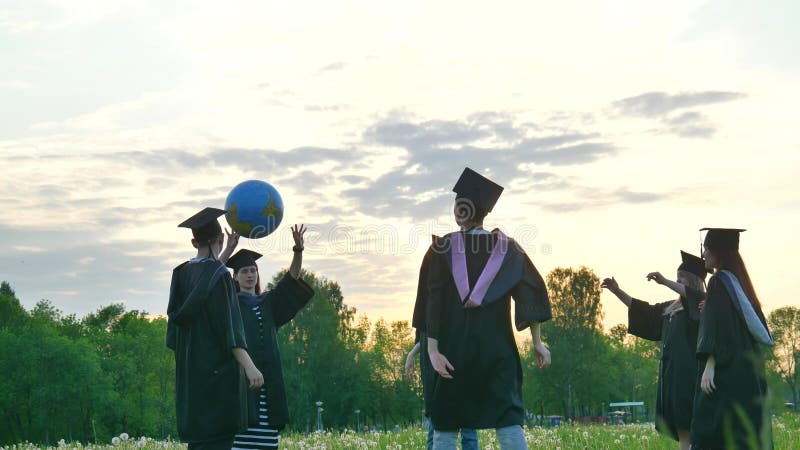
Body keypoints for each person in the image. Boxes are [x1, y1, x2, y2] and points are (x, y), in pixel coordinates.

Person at [417, 167, 552, 450]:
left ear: (459, 212)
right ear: (485, 213)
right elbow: (532, 290)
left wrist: (432, 350)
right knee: (508, 424)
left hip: (451, 353)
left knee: (445, 428)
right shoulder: (509, 249)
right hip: (497, 353)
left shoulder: (441, 249)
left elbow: (432, 301)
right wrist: (538, 342)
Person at [166, 207, 264, 450]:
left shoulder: (180, 274)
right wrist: (250, 367)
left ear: (193, 242)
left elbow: (172, 338)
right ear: (220, 239)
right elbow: (229, 329)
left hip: (190, 383)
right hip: (218, 382)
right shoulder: (219, 277)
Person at [601, 251, 708, 450]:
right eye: (675, 278)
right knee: (682, 430)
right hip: (672, 376)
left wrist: (666, 281)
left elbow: (698, 298)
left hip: (691, 375)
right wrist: (618, 292)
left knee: (693, 428)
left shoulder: (703, 305)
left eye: (680, 278)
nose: (676, 282)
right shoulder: (670, 308)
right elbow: (644, 311)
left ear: (692, 281)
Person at [223, 225, 315, 450]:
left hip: (269, 383)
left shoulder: (268, 303)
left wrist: (298, 250)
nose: (249, 274)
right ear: (235, 277)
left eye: (253, 270)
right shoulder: (229, 305)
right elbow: (213, 279)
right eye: (243, 271)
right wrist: (228, 249)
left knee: (266, 439)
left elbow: (290, 280)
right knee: (241, 439)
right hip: (240, 383)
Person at [691, 228, 774, 450]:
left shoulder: (719, 282)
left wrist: (710, 363)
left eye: (706, 249)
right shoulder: (741, 283)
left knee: (715, 429)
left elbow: (719, 327)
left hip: (726, 370)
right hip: (748, 371)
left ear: (718, 251)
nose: (703, 255)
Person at [405, 338, 479, 450]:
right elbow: (423, 337)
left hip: (461, 373)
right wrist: (411, 354)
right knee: (434, 435)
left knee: (468, 434)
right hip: (434, 379)